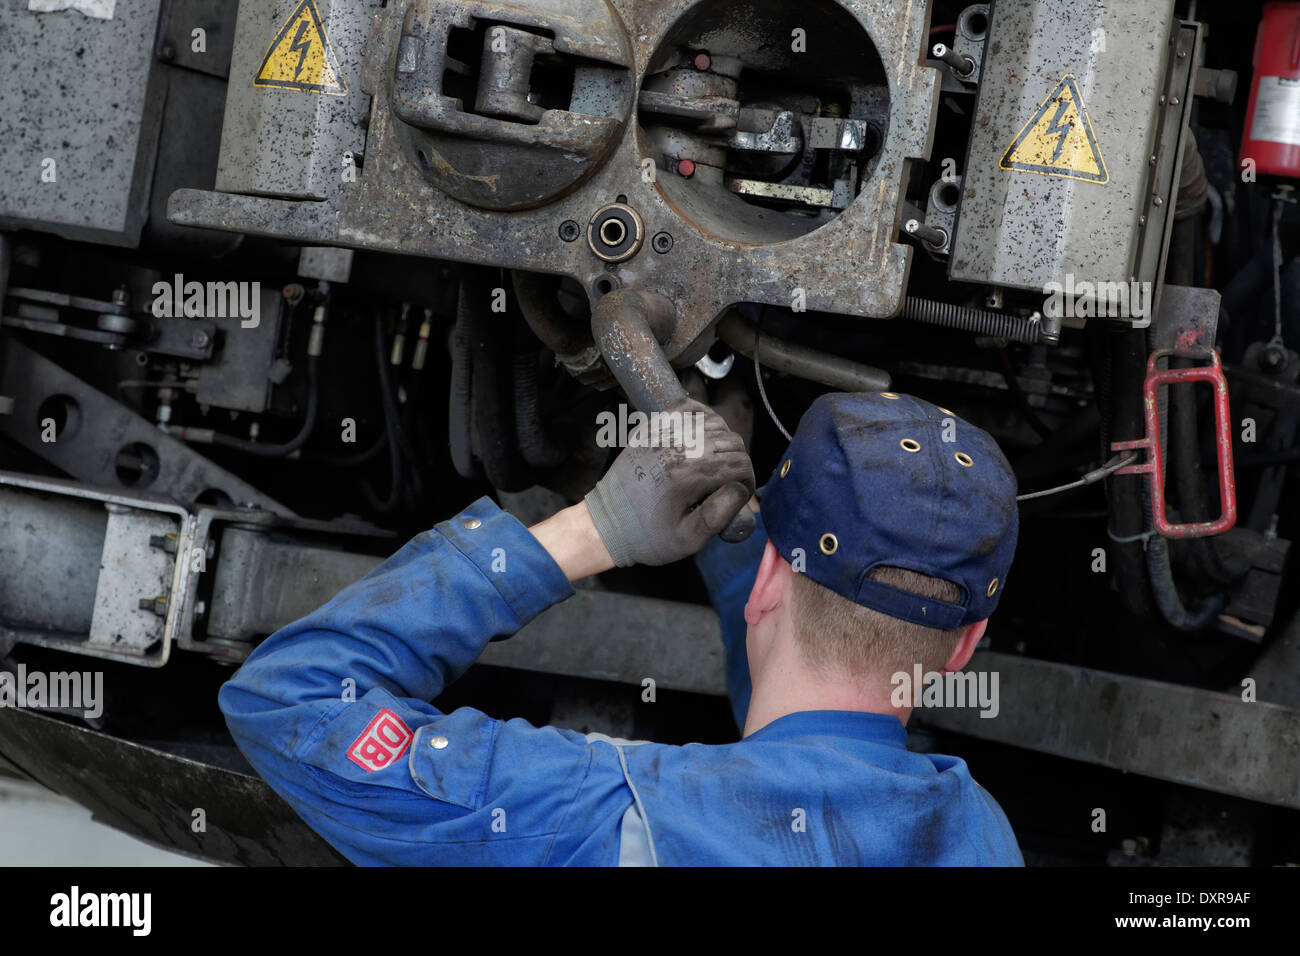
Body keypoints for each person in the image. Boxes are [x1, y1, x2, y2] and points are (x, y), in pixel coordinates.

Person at [219, 390, 1023, 865]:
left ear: (772, 579)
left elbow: (292, 698)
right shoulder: (983, 834)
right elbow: (808, 752)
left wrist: (593, 530)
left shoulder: (606, 814)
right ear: (963, 647)